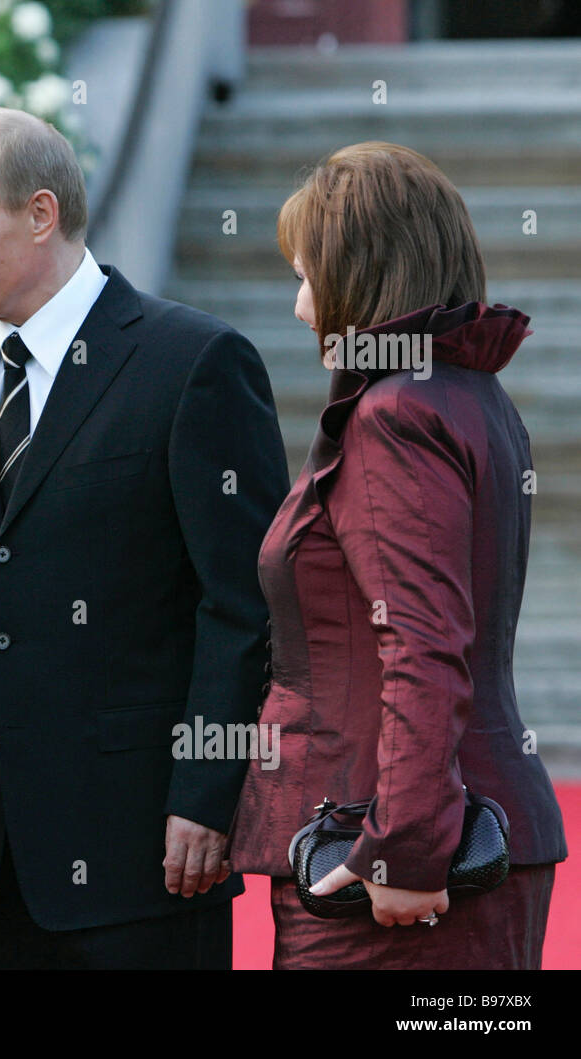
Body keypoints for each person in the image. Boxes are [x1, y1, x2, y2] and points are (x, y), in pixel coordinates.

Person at [0, 108, 289, 969]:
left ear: (40, 213)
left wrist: (208, 795)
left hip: (153, 860)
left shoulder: (196, 362)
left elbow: (245, 604)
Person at [228, 142, 568, 969]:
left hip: (391, 870)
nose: (303, 308)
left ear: (361, 276)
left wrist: (403, 849)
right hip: (441, 841)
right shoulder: (470, 397)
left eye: (309, 276)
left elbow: (422, 644)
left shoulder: (395, 416)